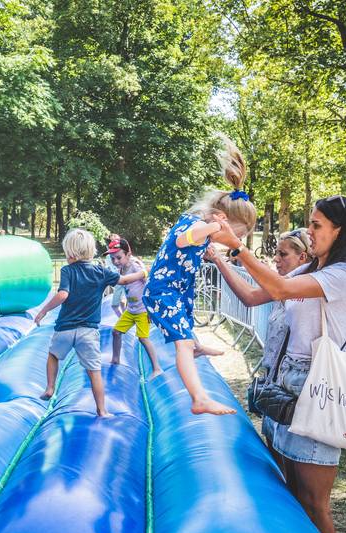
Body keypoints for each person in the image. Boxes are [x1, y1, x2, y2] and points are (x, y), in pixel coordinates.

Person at [213, 194, 346, 533]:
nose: (310, 231)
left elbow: (280, 288)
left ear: (339, 231)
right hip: (284, 389)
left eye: (316, 225)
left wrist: (238, 246)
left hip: (315, 388)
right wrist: (222, 260)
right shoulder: (311, 269)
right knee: (287, 494)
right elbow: (255, 296)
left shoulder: (344, 276)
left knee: (314, 504)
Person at [141, 137, 257, 416]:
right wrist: (211, 229)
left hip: (175, 290)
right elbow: (183, 241)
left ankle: (195, 346)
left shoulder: (200, 228)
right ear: (219, 218)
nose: (232, 240)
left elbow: (191, 248)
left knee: (186, 332)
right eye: (233, 234)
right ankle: (199, 397)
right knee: (180, 342)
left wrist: (209, 249)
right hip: (162, 291)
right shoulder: (196, 225)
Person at [206, 227, 312, 484]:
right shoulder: (281, 287)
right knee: (277, 467)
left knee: (298, 481)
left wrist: (235, 251)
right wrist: (220, 260)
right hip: (274, 384)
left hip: (295, 389)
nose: (275, 259)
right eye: (275, 253)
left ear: (303, 258)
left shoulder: (305, 290)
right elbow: (250, 296)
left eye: (282, 254)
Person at [33, 229, 148, 417]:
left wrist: (44, 310)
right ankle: (102, 410)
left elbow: (63, 294)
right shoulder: (101, 272)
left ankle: (50, 387)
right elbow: (124, 279)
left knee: (53, 355)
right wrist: (143, 272)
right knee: (94, 371)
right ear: (91, 251)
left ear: (70, 253)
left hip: (65, 329)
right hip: (88, 331)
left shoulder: (67, 270)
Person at [105, 237, 162, 377]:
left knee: (143, 338)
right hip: (131, 310)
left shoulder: (135, 266)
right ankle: (115, 359)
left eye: (118, 257)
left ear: (128, 255)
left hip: (142, 310)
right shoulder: (122, 268)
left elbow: (148, 284)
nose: (115, 261)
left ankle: (156, 368)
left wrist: (151, 306)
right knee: (116, 332)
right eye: (113, 259)